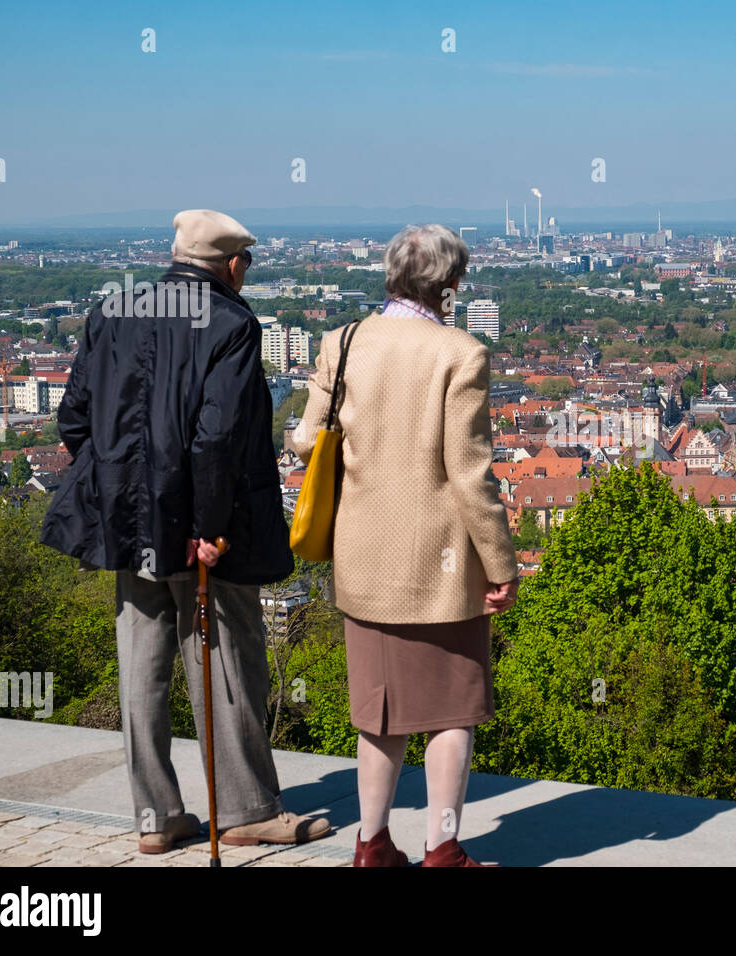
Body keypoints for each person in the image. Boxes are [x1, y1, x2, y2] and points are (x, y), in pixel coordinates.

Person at [42, 209, 331, 853]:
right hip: (207, 529)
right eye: (246, 264)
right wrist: (209, 525)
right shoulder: (231, 322)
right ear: (230, 265)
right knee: (226, 660)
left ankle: (156, 817)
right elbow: (218, 436)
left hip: (126, 520)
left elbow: (75, 421)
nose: (247, 274)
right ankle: (245, 808)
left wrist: (116, 488)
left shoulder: (111, 311)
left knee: (140, 666)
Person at [291, 224, 519, 867]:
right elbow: (468, 473)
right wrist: (500, 565)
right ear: (450, 285)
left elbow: (307, 443)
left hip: (363, 557)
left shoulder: (343, 342)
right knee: (451, 712)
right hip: (441, 567)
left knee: (379, 712)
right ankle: (442, 849)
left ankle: (371, 844)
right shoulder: (460, 353)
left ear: (391, 274)